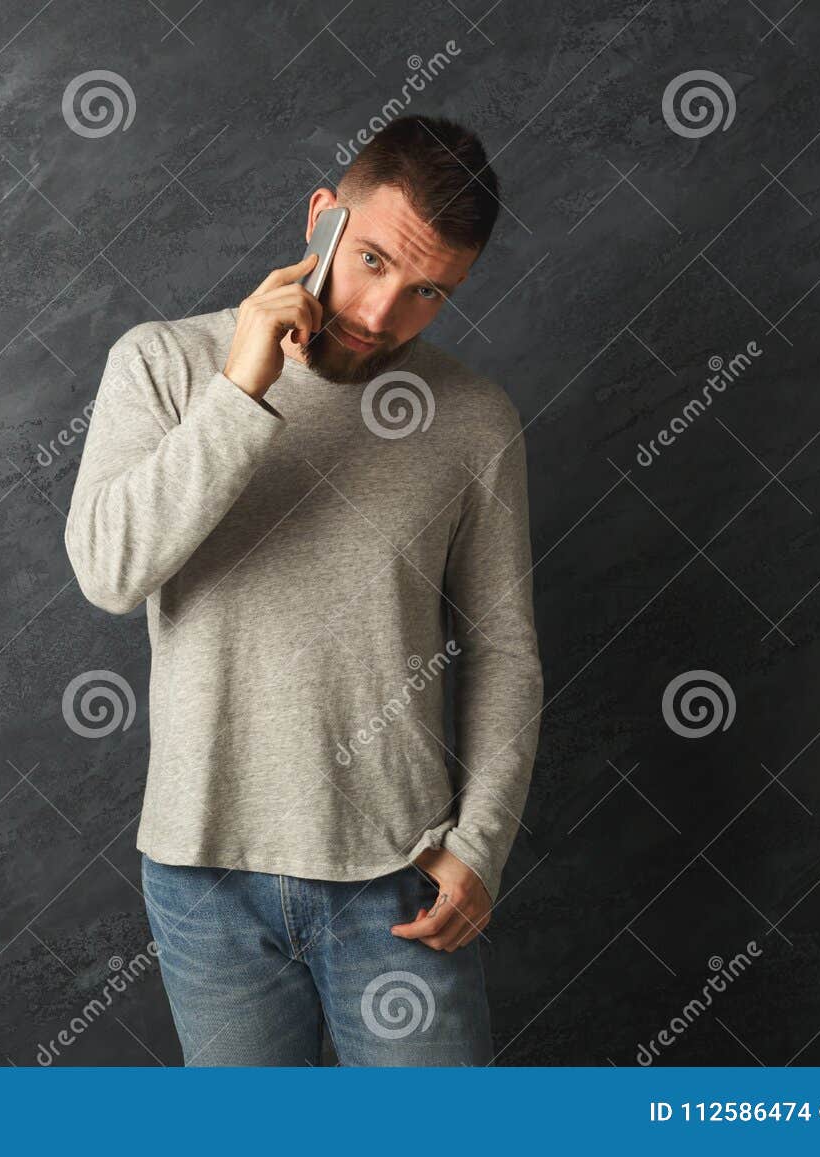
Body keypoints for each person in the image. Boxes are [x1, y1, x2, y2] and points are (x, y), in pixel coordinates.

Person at [63, 114, 543, 1065]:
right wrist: (242, 392)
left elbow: (503, 651)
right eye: (369, 259)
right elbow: (110, 571)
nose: (379, 312)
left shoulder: (475, 420)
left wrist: (481, 843)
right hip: (206, 880)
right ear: (323, 217)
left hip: (399, 879)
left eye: (427, 292)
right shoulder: (160, 365)